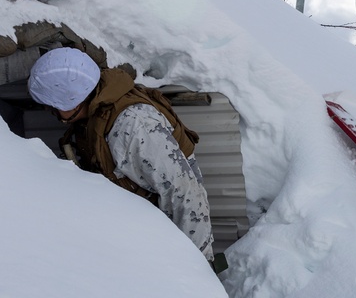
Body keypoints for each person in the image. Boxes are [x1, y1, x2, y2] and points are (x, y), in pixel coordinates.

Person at [28, 47, 216, 267]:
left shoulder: (134, 126)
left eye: (52, 107)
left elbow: (185, 193)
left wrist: (198, 267)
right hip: (136, 238)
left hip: (164, 245)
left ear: (74, 101)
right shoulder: (95, 112)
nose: (49, 111)